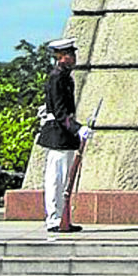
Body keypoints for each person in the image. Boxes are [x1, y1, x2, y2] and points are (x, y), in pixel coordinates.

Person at [39, 38, 91, 233]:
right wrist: (77, 128)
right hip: (58, 135)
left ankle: (63, 218)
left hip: (65, 135)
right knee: (56, 179)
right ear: (61, 57)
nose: (73, 58)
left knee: (64, 181)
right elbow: (60, 112)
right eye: (69, 55)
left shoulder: (66, 77)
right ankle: (54, 219)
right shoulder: (57, 78)